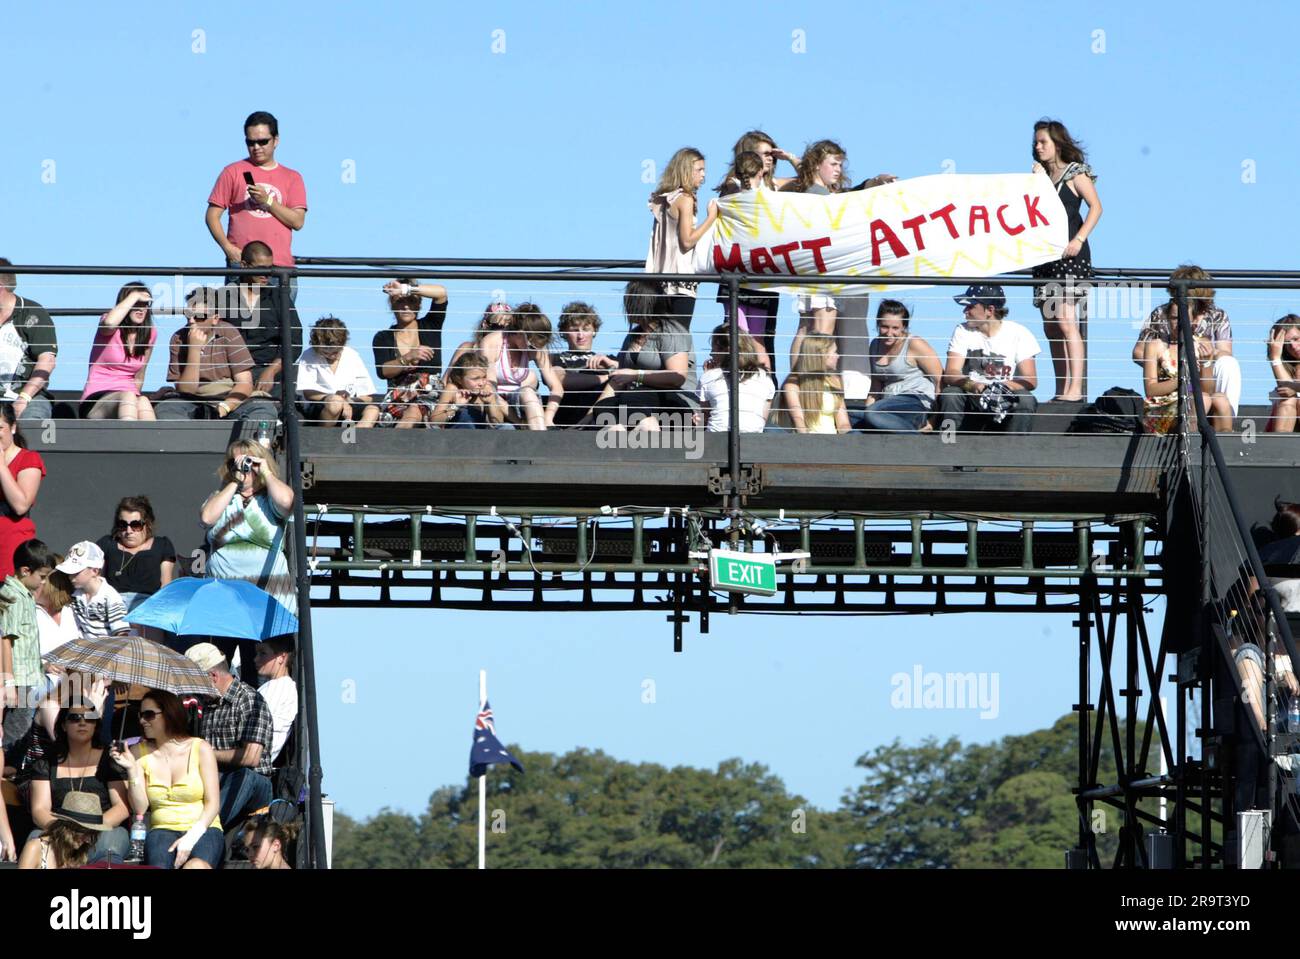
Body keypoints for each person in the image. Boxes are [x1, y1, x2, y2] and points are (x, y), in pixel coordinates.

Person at [1030, 119, 1102, 402]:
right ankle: (1061, 388)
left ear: (1057, 144)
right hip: (1046, 259)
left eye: (1043, 142)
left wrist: (1079, 239)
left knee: (1065, 319)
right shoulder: (1040, 178)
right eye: (1036, 142)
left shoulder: (1075, 173)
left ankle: (1075, 389)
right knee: (1051, 326)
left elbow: (1096, 207)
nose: (1038, 147)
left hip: (1070, 257)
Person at [112, 689, 224, 869]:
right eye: (141, 715)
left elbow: (213, 804)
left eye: (149, 715)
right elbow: (140, 808)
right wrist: (132, 770)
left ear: (169, 714)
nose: (142, 721)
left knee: (196, 866)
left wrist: (191, 837)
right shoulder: (138, 752)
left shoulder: (201, 748)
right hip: (161, 829)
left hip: (203, 827)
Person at [206, 111, 308, 296]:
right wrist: (228, 248)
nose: (256, 147)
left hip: (280, 268)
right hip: (242, 266)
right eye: (250, 142)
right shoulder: (232, 171)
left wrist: (267, 201)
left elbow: (297, 221)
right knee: (238, 315)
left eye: (263, 142)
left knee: (281, 316)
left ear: (276, 140)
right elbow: (212, 216)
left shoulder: (292, 177)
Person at [201, 440, 297, 623]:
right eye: (234, 463)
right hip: (224, 603)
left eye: (247, 461)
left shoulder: (270, 498)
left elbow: (287, 502)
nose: (242, 467)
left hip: (269, 600)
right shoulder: (221, 497)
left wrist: (266, 472)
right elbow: (207, 518)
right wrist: (235, 481)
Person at [26, 701, 130, 864]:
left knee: (114, 840)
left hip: (102, 830)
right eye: (75, 718)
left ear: (96, 724)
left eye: (89, 718)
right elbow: (40, 809)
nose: (82, 722)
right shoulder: (46, 762)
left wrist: (89, 830)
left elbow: (122, 807)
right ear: (63, 725)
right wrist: (66, 832)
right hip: (59, 830)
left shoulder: (110, 759)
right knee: (36, 839)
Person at [154, 286, 278, 423]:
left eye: (199, 317)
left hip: (229, 398)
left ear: (215, 318)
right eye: (188, 315)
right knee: (166, 409)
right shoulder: (178, 338)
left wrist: (225, 407)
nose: (191, 321)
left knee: (263, 409)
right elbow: (185, 390)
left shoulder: (228, 333)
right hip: (193, 401)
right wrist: (194, 350)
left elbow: (245, 383)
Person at [184, 643, 274, 830]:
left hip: (254, 784)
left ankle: (206, 826)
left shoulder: (249, 700)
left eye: (196, 683)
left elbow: (251, 757)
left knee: (244, 776)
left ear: (213, 676)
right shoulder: (206, 705)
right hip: (217, 779)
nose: (195, 690)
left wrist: (206, 753)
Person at [592, 281, 700, 433]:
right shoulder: (633, 336)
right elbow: (618, 379)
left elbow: (677, 377)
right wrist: (590, 415)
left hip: (674, 401)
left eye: (630, 301)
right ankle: (621, 431)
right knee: (604, 407)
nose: (626, 307)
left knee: (634, 396)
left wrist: (637, 375)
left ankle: (648, 426)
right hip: (637, 401)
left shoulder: (671, 331)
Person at [1132, 265, 1240, 416]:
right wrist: (1170, 363)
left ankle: (1227, 414)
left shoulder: (1217, 315)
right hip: (1170, 368)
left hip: (1205, 366)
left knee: (1228, 364)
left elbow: (1225, 353)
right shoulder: (1162, 312)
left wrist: (1204, 354)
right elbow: (1138, 352)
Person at [938, 285, 1041, 434]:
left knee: (1026, 400)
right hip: (971, 395)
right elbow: (951, 373)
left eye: (971, 306)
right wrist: (975, 386)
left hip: (1005, 397)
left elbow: (1030, 380)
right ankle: (948, 443)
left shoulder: (1019, 333)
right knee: (951, 394)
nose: (965, 311)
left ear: (990, 310)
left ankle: (1016, 447)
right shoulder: (962, 330)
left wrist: (1000, 389)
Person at [713, 151, 776, 372]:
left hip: (735, 269)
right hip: (759, 271)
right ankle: (763, 383)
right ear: (760, 171)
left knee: (737, 335)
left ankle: (741, 382)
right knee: (756, 339)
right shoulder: (767, 195)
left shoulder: (730, 190)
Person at [219, 240, 304, 400]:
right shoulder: (223, 297)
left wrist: (271, 371)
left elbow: (294, 341)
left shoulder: (279, 297)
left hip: (273, 374)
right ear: (244, 265)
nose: (267, 274)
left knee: (296, 375)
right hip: (232, 375)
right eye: (261, 269)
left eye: (270, 269)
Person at [645, 147, 719, 330]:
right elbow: (687, 241)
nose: (703, 175)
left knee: (660, 336)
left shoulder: (665, 199)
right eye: (699, 170)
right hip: (681, 279)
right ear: (686, 170)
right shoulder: (685, 199)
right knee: (679, 336)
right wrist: (711, 218)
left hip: (660, 279)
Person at [1140, 310, 1232, 434]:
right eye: (1174, 318)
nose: (1179, 322)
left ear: (1194, 320)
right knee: (1203, 399)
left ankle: (1226, 444)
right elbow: (1150, 390)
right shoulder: (1155, 346)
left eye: (1184, 317)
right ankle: (1189, 441)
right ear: (1167, 320)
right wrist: (1182, 380)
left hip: (1194, 402)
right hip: (1163, 407)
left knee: (1220, 400)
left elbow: (1207, 390)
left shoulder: (1203, 344)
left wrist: (1205, 363)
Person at [372, 279, 449, 428]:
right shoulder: (383, 337)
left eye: (411, 301)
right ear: (392, 304)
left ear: (419, 305)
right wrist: (408, 357)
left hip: (429, 394)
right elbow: (383, 371)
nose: (406, 306)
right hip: (398, 397)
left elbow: (441, 293)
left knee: (414, 410)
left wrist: (405, 289)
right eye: (400, 301)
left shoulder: (431, 324)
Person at [1, 538, 53, 748]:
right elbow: (5, 640)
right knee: (15, 735)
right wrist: (9, 682)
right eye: (42, 576)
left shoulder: (26, 596)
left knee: (22, 730)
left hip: (27, 678)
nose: (43, 582)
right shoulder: (12, 596)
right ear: (25, 571)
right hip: (17, 680)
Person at [79, 282, 157, 420]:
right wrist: (134, 295)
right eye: (136, 304)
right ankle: (127, 434)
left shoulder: (150, 333)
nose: (141, 309)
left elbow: (139, 376)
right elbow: (110, 323)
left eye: (145, 304)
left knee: (143, 401)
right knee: (128, 397)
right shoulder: (109, 324)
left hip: (130, 399)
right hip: (98, 398)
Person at [862, 300, 942, 433]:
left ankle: (914, 438)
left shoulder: (914, 344)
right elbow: (875, 387)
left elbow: (940, 380)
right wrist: (865, 417)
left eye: (895, 328)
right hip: (886, 404)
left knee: (873, 414)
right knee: (854, 418)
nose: (889, 333)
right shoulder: (875, 345)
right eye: (884, 327)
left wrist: (934, 420)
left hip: (914, 401)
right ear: (878, 324)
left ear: (904, 327)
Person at [94, 496, 177, 613]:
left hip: (147, 606)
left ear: (147, 524)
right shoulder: (107, 544)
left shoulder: (161, 545)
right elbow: (97, 581)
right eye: (123, 524)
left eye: (136, 525)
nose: (128, 531)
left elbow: (165, 585)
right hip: (113, 605)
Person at [0, 258, 57, 423]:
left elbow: (47, 360)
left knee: (32, 423)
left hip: (28, 396)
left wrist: (23, 398)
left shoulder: (33, 313)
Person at [297, 316, 380, 428]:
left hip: (350, 404)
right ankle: (324, 437)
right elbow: (309, 393)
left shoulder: (352, 355)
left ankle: (355, 437)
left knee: (373, 411)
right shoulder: (309, 355)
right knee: (335, 403)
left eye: (335, 352)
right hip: (320, 406)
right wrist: (339, 400)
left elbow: (367, 396)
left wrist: (348, 401)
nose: (331, 356)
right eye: (325, 352)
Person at [495, 305, 565, 430]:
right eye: (531, 346)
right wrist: (518, 422)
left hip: (520, 403)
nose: (533, 350)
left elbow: (556, 387)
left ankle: (541, 436)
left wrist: (548, 417)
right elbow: (488, 390)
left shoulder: (536, 349)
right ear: (520, 333)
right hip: (495, 407)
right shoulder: (494, 342)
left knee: (528, 393)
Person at [698, 324, 774, 432]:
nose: (711, 354)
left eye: (713, 349)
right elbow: (762, 419)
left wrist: (708, 374)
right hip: (754, 438)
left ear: (724, 350)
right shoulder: (765, 378)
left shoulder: (708, 377)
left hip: (716, 437)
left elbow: (706, 415)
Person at [550, 302, 614, 428]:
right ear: (564, 332)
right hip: (568, 418)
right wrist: (606, 378)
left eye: (586, 329)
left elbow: (627, 374)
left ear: (594, 331)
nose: (580, 335)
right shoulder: (555, 358)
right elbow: (559, 379)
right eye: (575, 330)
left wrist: (613, 365)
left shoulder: (608, 359)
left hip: (602, 418)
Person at [0, 402, 43, 581]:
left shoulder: (28, 459)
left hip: (10, 546)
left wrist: (1, 464)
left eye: (0, 427)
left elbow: (20, 505)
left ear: (13, 427)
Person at [773, 334, 850, 434]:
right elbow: (799, 422)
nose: (838, 356)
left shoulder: (835, 382)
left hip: (835, 441)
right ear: (822, 355)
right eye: (834, 352)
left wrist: (850, 439)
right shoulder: (792, 385)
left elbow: (843, 423)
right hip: (806, 440)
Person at [18, 793, 111, 869]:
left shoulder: (78, 852)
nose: (88, 840)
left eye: (92, 834)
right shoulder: (35, 848)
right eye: (85, 833)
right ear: (69, 828)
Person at [57, 541, 130, 638]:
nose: (71, 576)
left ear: (95, 571)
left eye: (76, 572)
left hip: (107, 645)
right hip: (83, 645)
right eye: (69, 572)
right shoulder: (75, 595)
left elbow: (121, 632)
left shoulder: (110, 596)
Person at [430, 350, 508, 429]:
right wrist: (455, 406)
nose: (481, 383)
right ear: (459, 379)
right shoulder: (452, 389)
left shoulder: (487, 389)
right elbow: (434, 421)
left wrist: (491, 402)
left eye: (484, 377)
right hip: (456, 434)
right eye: (475, 379)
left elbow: (498, 423)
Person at [253, 638, 297, 765]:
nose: (256, 659)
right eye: (257, 653)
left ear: (281, 657)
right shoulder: (273, 686)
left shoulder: (280, 688)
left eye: (263, 653)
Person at [1266, 315, 1300, 433]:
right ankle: (1281, 444)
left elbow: (1290, 387)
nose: (1293, 346)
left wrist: (1296, 389)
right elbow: (1286, 388)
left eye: (1296, 339)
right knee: (1288, 400)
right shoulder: (1291, 368)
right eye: (1286, 343)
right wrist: (1275, 358)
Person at [35, 565, 78, 658]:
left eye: (42, 580)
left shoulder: (72, 609)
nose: (34, 586)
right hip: (43, 666)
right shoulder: (31, 612)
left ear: (51, 587)